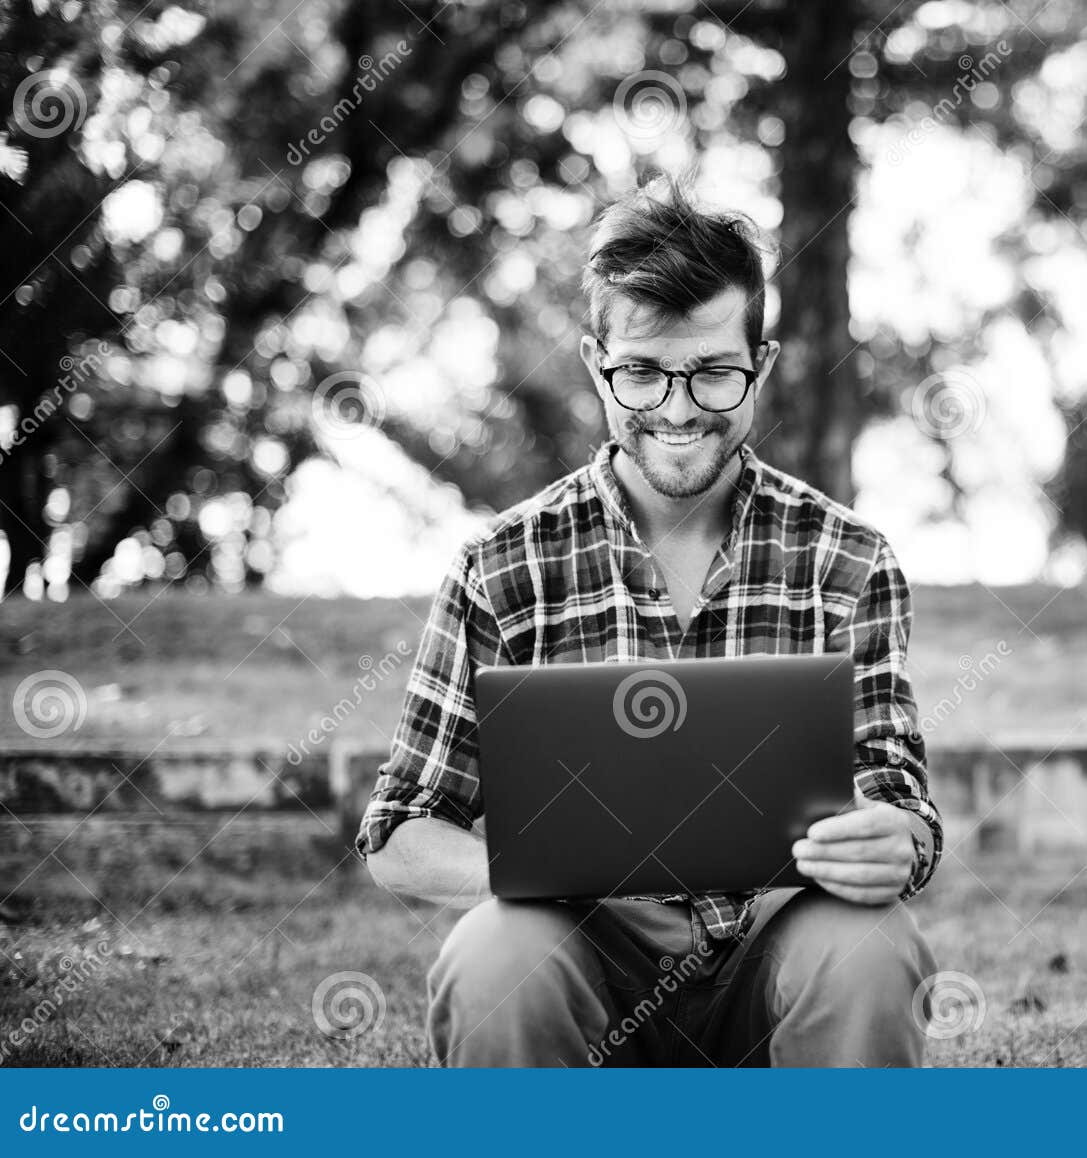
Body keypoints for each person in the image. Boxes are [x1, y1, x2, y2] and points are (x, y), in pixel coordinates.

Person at [356, 178, 942, 1067]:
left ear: (763, 363)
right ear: (597, 363)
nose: (676, 409)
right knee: (493, 952)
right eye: (641, 372)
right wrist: (537, 879)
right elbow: (401, 830)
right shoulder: (503, 565)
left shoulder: (847, 560)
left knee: (871, 945)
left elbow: (897, 796)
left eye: (713, 371)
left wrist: (897, 839)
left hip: (776, 972)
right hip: (580, 974)